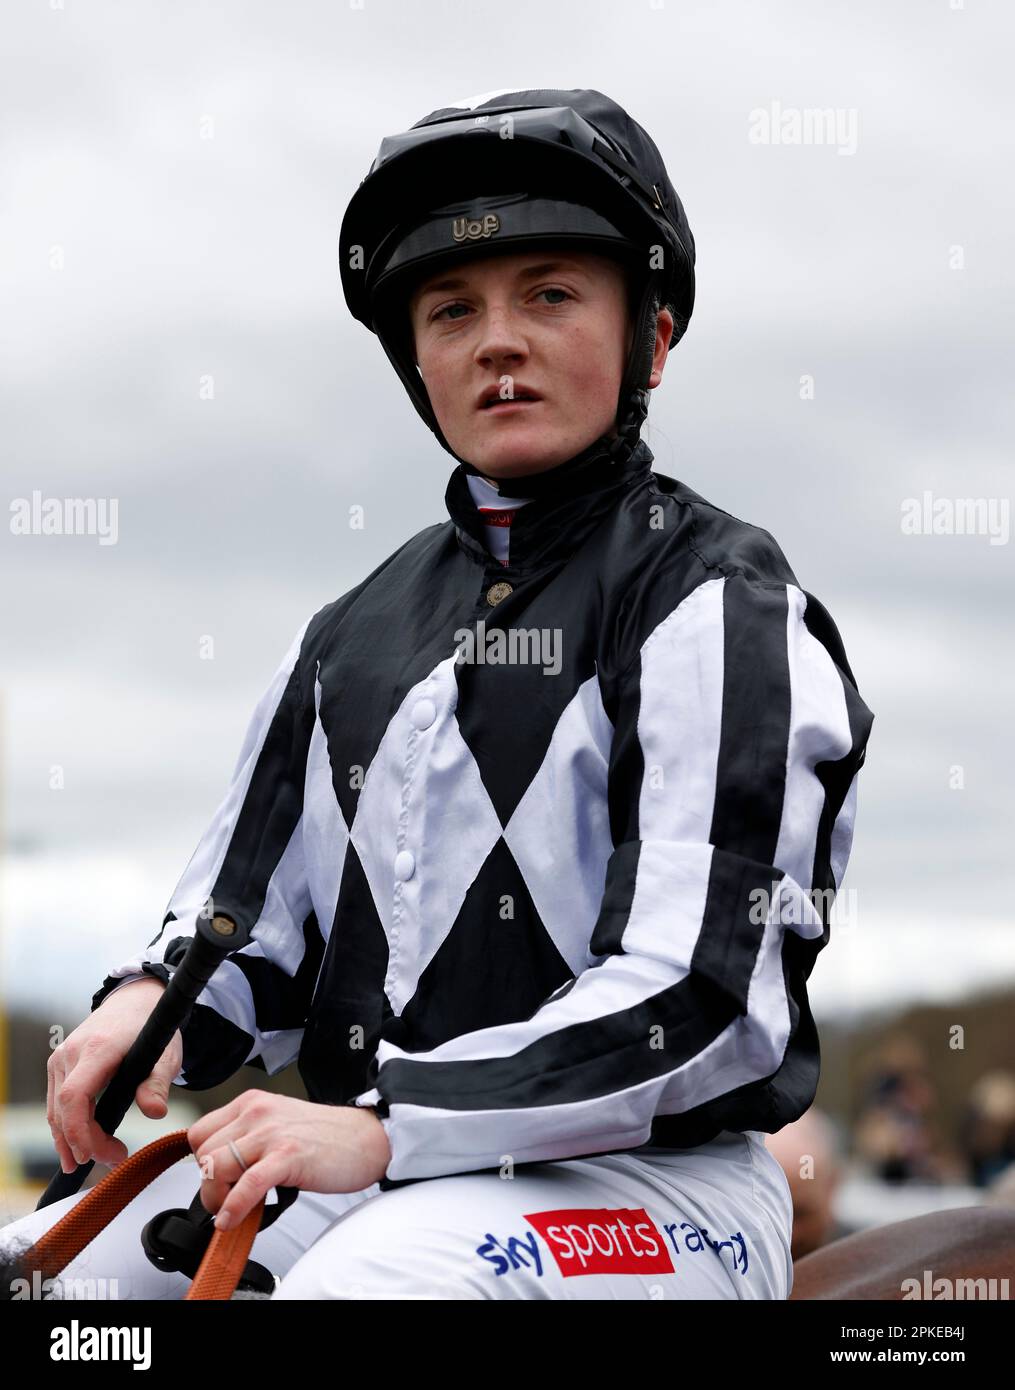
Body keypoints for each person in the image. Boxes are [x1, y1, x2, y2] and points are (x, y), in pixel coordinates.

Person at [1, 87, 875, 1300]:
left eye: (551, 294)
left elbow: (698, 996)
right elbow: (247, 927)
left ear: (653, 337)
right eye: (452, 310)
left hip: (645, 1185)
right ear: (418, 360)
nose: (497, 341)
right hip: (375, 1165)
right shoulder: (346, 637)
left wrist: (396, 1120)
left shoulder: (719, 600)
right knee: (56, 1291)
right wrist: (145, 1012)